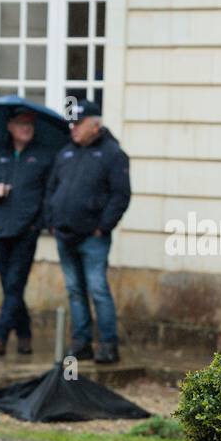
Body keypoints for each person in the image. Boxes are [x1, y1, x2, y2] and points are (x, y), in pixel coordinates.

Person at [44, 99, 131, 364]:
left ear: (95, 125)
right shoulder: (66, 153)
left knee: (97, 289)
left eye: (79, 124)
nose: (73, 129)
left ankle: (107, 344)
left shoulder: (112, 154)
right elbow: (52, 188)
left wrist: (102, 226)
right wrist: (51, 219)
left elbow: (120, 195)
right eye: (72, 124)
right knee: (74, 289)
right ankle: (81, 342)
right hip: (65, 233)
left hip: (93, 237)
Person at [0, 107, 54, 356]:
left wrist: (38, 223)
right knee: (10, 286)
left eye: (30, 123)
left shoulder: (43, 155)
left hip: (26, 230)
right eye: (21, 123)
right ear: (10, 126)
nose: (27, 127)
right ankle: (24, 333)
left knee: (14, 283)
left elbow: (49, 194)